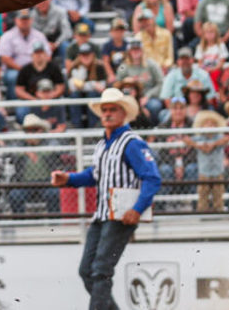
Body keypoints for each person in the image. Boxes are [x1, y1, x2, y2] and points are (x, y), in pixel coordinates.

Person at [51, 89, 161, 309]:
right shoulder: (103, 145)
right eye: (105, 110)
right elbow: (95, 175)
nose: (108, 114)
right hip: (103, 214)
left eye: (113, 110)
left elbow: (152, 178)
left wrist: (137, 209)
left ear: (123, 114)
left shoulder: (132, 143)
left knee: (101, 270)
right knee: (87, 271)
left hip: (121, 216)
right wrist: (69, 178)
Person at [183, 109, 229, 212]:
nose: (209, 126)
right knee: (203, 193)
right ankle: (202, 211)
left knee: (218, 193)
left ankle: (219, 210)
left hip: (218, 171)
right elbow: (186, 139)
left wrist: (213, 144)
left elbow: (227, 139)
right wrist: (198, 146)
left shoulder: (219, 137)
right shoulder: (199, 138)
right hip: (204, 172)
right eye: (206, 124)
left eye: (212, 124)